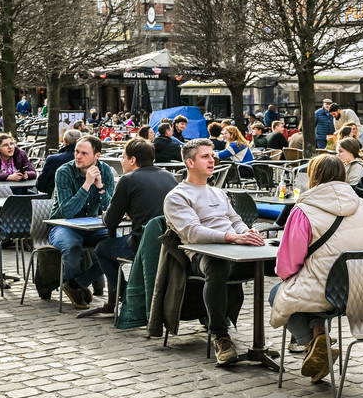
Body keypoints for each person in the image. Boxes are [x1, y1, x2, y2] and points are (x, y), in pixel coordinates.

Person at [270, 153, 363, 382]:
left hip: (323, 294)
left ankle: (313, 345)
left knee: (278, 292)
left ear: (313, 177)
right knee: (307, 289)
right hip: (360, 292)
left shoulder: (303, 211)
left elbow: (287, 266)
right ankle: (319, 334)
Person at [164, 139, 266, 366]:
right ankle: (220, 336)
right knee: (217, 265)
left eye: (212, 155)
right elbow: (193, 232)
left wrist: (247, 233)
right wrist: (232, 237)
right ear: (190, 162)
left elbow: (236, 220)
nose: (212, 160)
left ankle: (305, 333)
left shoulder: (218, 193)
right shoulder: (177, 196)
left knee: (282, 260)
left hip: (234, 248)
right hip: (201, 253)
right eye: (205, 157)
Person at [96, 138, 178, 313]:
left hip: (142, 245)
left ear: (132, 160)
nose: (121, 160)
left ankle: (125, 293)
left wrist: (104, 215)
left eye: (123, 157)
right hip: (170, 244)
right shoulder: (169, 177)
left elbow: (111, 221)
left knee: (102, 248)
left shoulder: (128, 179)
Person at [48, 136, 117, 309]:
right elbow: (67, 212)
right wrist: (86, 185)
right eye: (76, 152)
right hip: (62, 225)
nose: (78, 156)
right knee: (72, 247)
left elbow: (111, 209)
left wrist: (100, 188)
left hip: (92, 226)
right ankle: (77, 287)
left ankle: (77, 285)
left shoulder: (106, 170)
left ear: (97, 156)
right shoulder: (64, 172)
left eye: (84, 153)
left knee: (115, 246)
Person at [37, 129, 81, 199]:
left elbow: (40, 185)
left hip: (55, 200)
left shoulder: (53, 160)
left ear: (65, 142)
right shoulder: (88, 160)